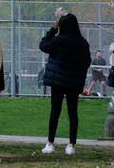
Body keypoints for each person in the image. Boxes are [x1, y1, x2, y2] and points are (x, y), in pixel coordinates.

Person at [39, 12, 91, 155]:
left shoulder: (58, 41)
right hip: (74, 82)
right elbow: (87, 62)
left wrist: (53, 30)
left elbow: (43, 45)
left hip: (58, 81)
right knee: (73, 112)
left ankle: (50, 142)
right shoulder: (82, 43)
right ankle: (71, 145)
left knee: (55, 111)